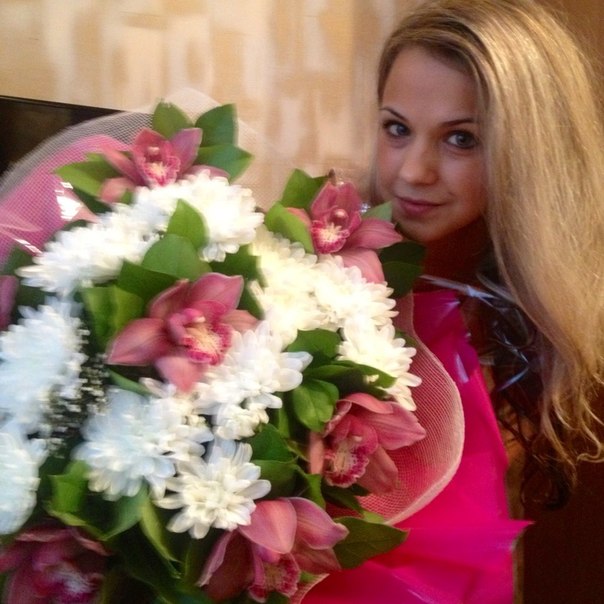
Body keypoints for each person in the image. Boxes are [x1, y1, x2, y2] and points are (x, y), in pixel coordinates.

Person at [302, 0, 604, 601]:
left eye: (461, 139)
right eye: (397, 128)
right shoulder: (310, 268)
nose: (414, 171)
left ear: (531, 152)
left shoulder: (545, 324)